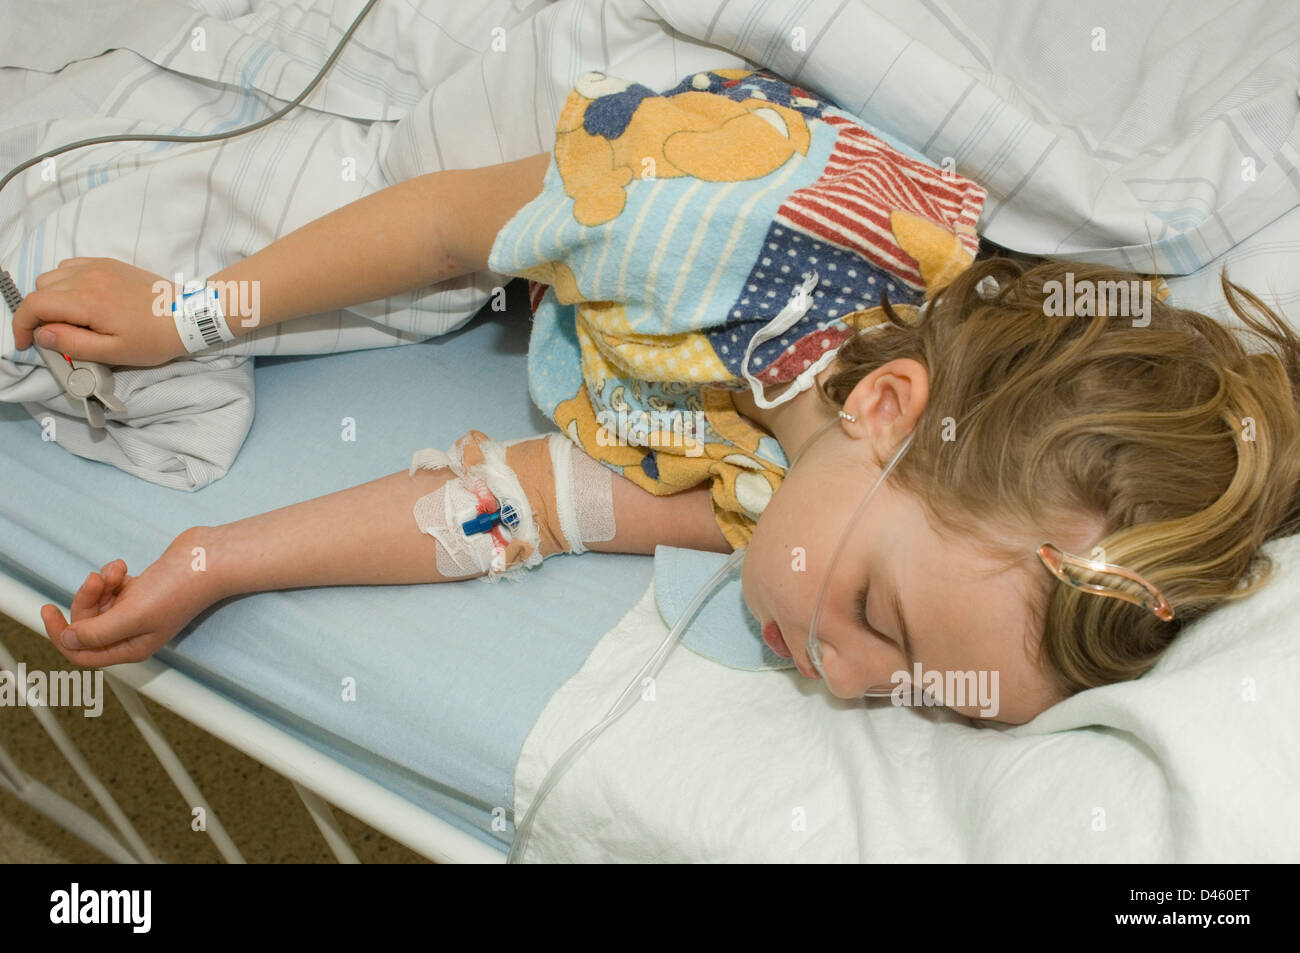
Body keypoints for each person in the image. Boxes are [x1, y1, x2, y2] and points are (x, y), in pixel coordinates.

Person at [13, 69, 1300, 725]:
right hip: (577, 170)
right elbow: (462, 220)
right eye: (875, 621)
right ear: (890, 408)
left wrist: (220, 558)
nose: (849, 683)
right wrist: (195, 307)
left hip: (573, 295)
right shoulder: (709, 229)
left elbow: (514, 507)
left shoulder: (802, 498)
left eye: (907, 692)